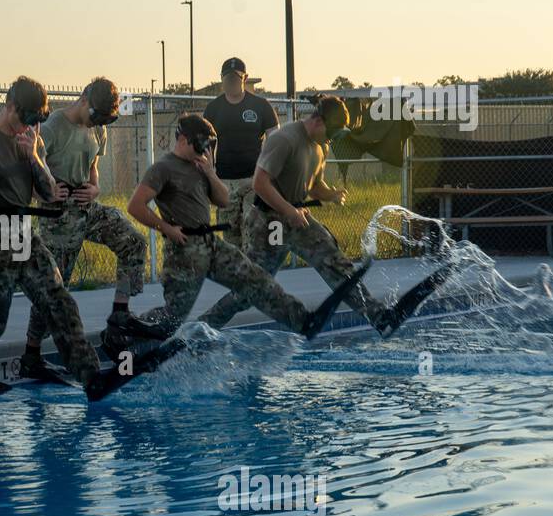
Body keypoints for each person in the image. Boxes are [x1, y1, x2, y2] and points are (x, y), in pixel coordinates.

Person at [102, 112, 339, 361]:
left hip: (212, 245)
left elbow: (223, 200)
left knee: (257, 280)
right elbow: (135, 205)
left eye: (208, 145)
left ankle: (302, 321)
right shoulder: (162, 168)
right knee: (173, 317)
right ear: (183, 139)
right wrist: (166, 228)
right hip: (184, 251)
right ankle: (124, 341)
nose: (205, 149)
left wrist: (211, 173)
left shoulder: (201, 165)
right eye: (202, 143)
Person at [0, 76, 102, 390]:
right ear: (10, 105)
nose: (25, 127)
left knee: (59, 301)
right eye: (24, 119)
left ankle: (91, 376)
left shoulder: (31, 138)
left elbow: (48, 193)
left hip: (24, 236)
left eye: (34, 122)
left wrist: (34, 155)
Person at [198, 96, 394, 334]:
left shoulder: (321, 146)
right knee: (251, 290)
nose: (331, 138)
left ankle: (379, 317)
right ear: (318, 121)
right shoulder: (284, 139)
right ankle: (202, 327)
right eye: (330, 132)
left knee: (336, 265)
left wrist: (330, 194)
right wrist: (288, 210)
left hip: (298, 219)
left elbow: (313, 185)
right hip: (269, 223)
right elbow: (260, 183)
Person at [19, 77, 160, 376]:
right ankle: (31, 354)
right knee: (54, 288)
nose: (98, 122)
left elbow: (93, 168)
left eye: (105, 118)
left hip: (88, 207)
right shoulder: (54, 127)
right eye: (96, 115)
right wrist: (46, 192)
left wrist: (95, 189)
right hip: (58, 216)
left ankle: (119, 318)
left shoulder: (99, 128)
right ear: (84, 99)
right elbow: (29, 175)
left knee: (133, 241)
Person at [201, 57, 278, 248]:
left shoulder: (261, 106)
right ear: (221, 79)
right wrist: (210, 178)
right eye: (227, 79)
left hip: (254, 180)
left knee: (252, 231)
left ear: (245, 78)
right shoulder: (213, 108)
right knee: (230, 237)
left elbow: (276, 141)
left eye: (236, 79)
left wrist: (270, 173)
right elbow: (205, 146)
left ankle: (255, 272)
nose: (231, 83)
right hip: (225, 181)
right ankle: (240, 274)